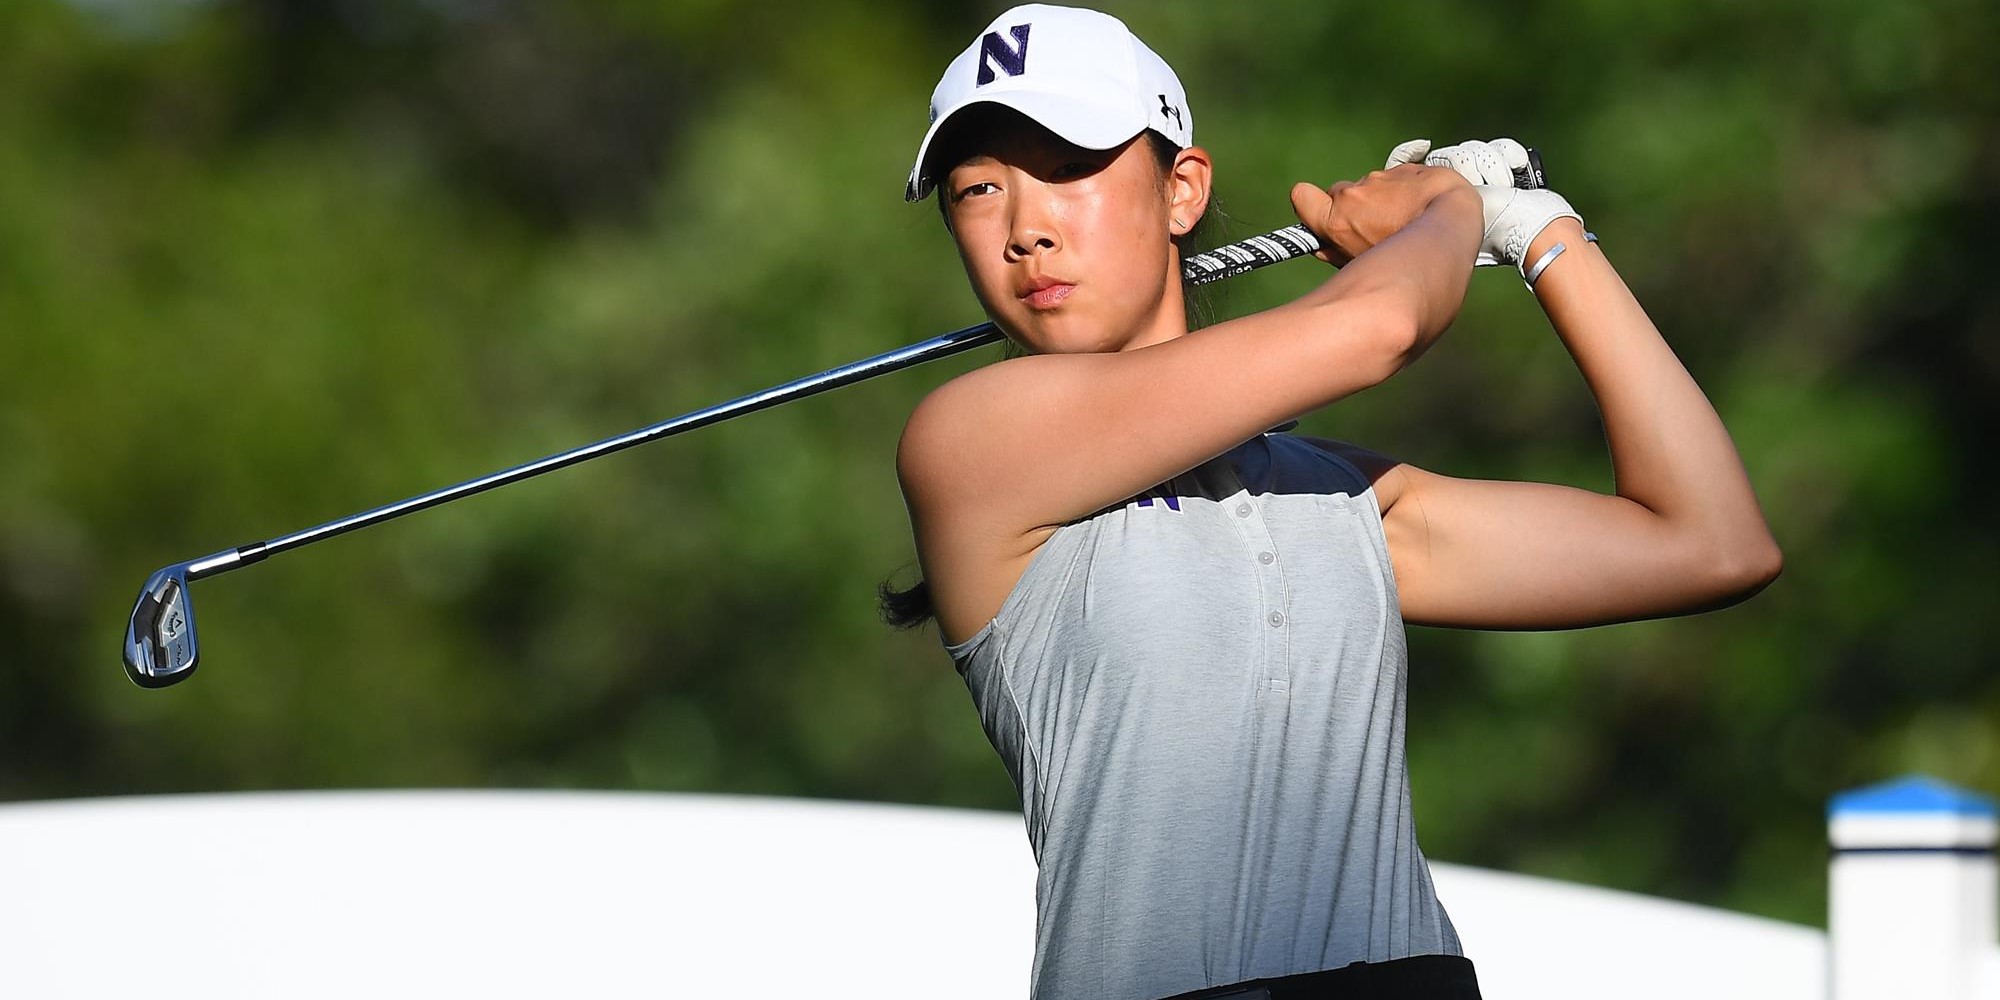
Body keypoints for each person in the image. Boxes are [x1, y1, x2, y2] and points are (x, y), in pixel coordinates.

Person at [882, 5, 1782, 999]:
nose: (1025, 229)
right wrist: (1446, 206)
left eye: (1068, 164)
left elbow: (1709, 541)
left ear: (1181, 191)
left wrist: (1544, 233)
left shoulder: (1333, 497)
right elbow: (1382, 324)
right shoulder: (967, 442)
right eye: (976, 188)